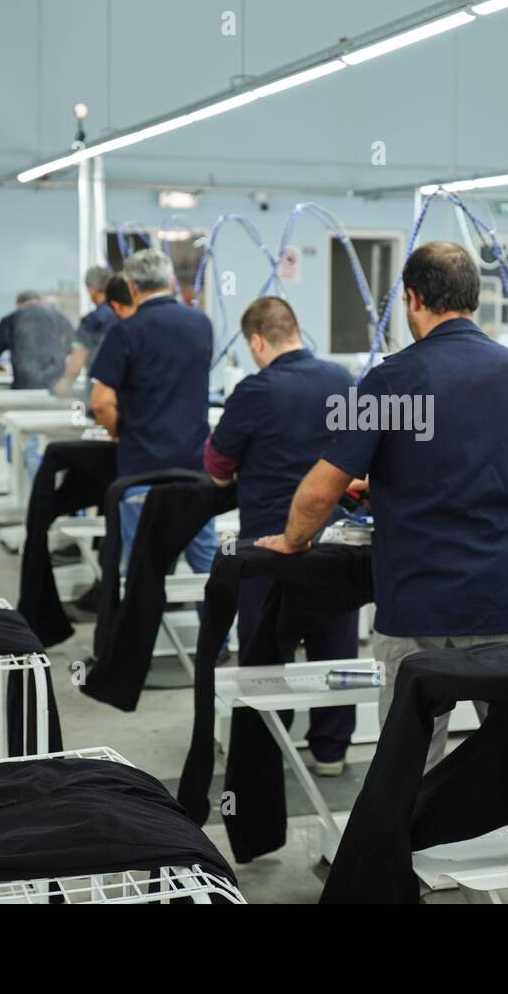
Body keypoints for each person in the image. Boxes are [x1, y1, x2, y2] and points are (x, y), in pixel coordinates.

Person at [255, 242, 508, 769]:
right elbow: (492, 465)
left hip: (419, 598)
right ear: (473, 298)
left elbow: (322, 491)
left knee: (408, 762)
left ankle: (404, 849)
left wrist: (292, 540)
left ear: (412, 299)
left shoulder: (391, 379)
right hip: (506, 595)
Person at [204, 296, 358, 775]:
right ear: (295, 330)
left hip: (271, 547)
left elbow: (216, 466)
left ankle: (269, 746)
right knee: (335, 647)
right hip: (336, 540)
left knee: (267, 650)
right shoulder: (341, 380)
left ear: (256, 340)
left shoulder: (254, 390)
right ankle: (332, 751)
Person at [89, 248, 215, 574]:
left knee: (146, 569)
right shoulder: (201, 323)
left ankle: (147, 625)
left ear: (131, 288)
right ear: (171, 281)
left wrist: (119, 431)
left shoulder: (125, 331)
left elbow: (100, 402)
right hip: (195, 469)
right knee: (207, 570)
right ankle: (218, 627)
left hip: (143, 467)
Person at [0, 291, 74, 390]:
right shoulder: (61, 318)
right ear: (39, 302)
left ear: (18, 305)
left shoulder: (12, 319)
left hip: (25, 388)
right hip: (57, 388)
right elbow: (76, 351)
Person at [53, 266, 114, 396]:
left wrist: (59, 388)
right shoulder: (125, 314)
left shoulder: (93, 320)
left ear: (91, 290)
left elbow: (76, 364)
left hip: (98, 391)